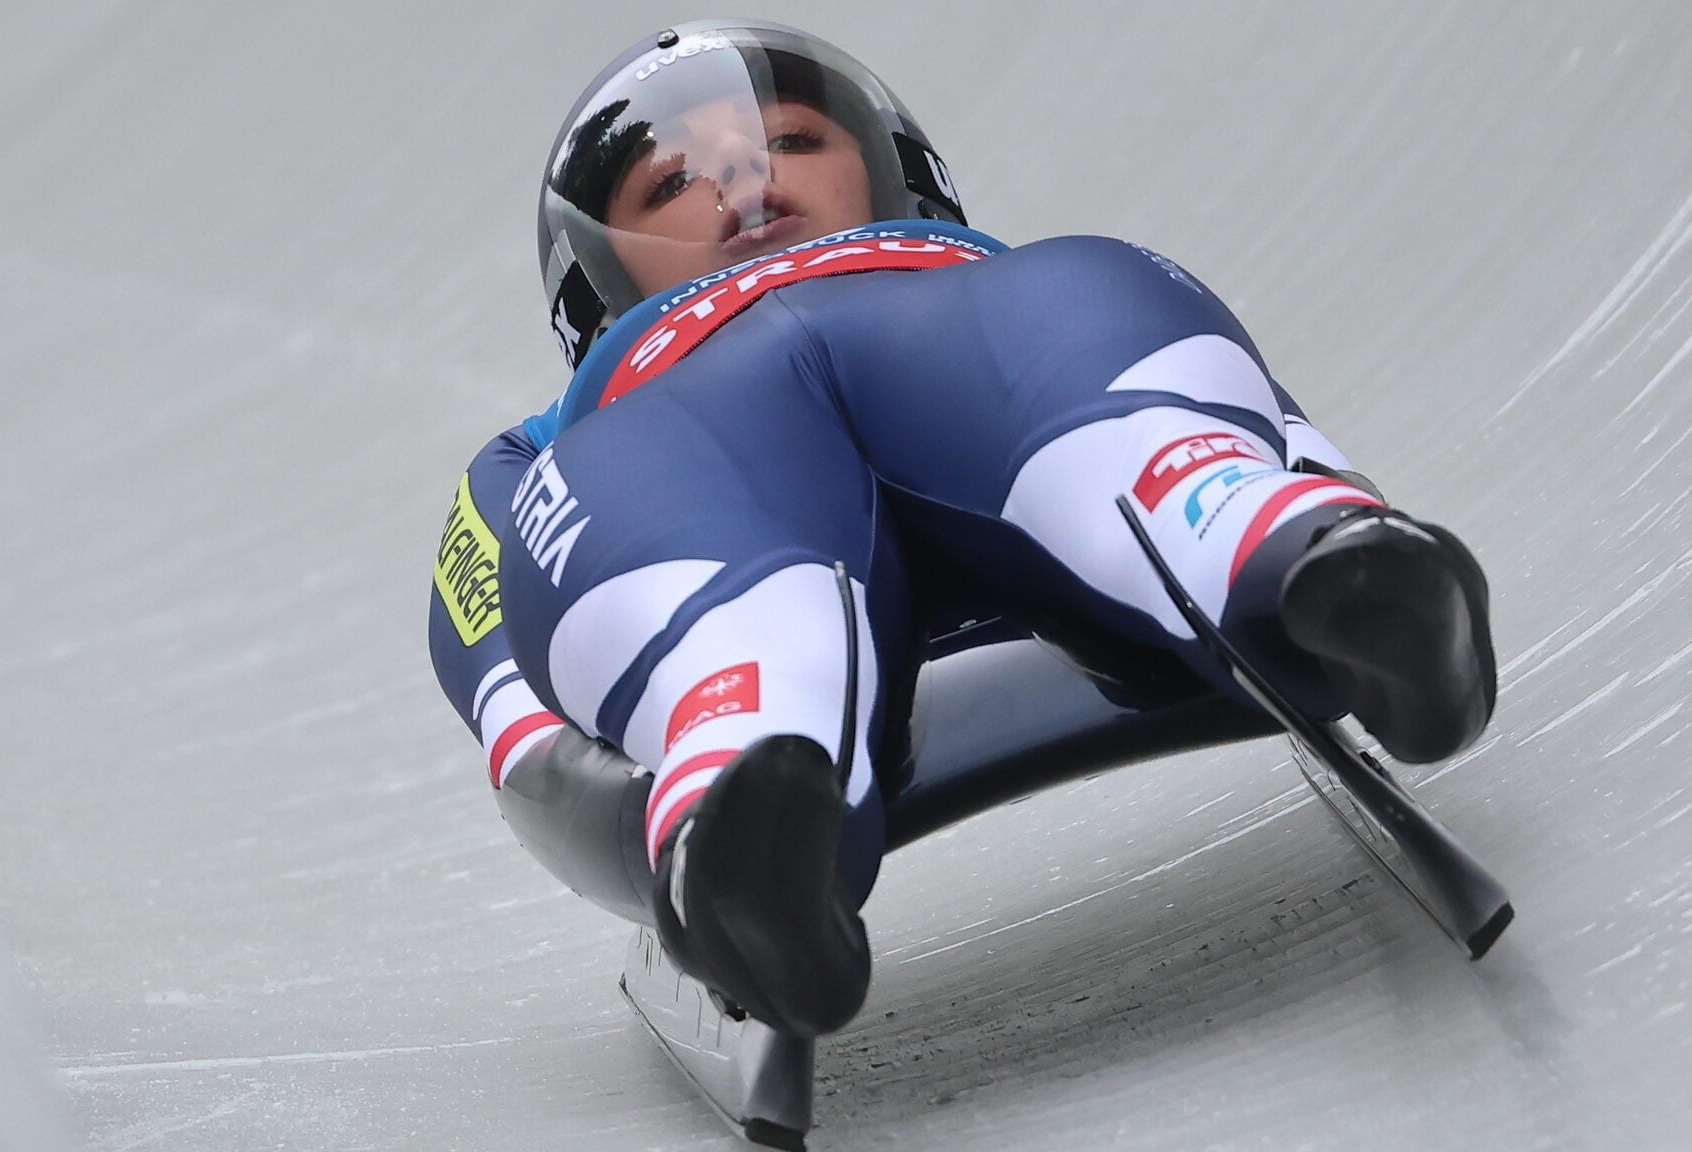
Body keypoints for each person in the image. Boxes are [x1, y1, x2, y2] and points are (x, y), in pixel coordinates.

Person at [429, 20, 1496, 1041]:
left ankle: (1287, 564)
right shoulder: (553, 446)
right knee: (652, 518)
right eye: (670, 183)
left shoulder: (995, 284)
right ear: (598, 285)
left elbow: (1257, 414)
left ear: (890, 173)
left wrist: (1331, 497)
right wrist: (620, 819)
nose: (744, 173)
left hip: (956, 341)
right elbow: (506, 694)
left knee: (1086, 313)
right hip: (689, 425)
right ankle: (745, 791)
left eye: (791, 139)